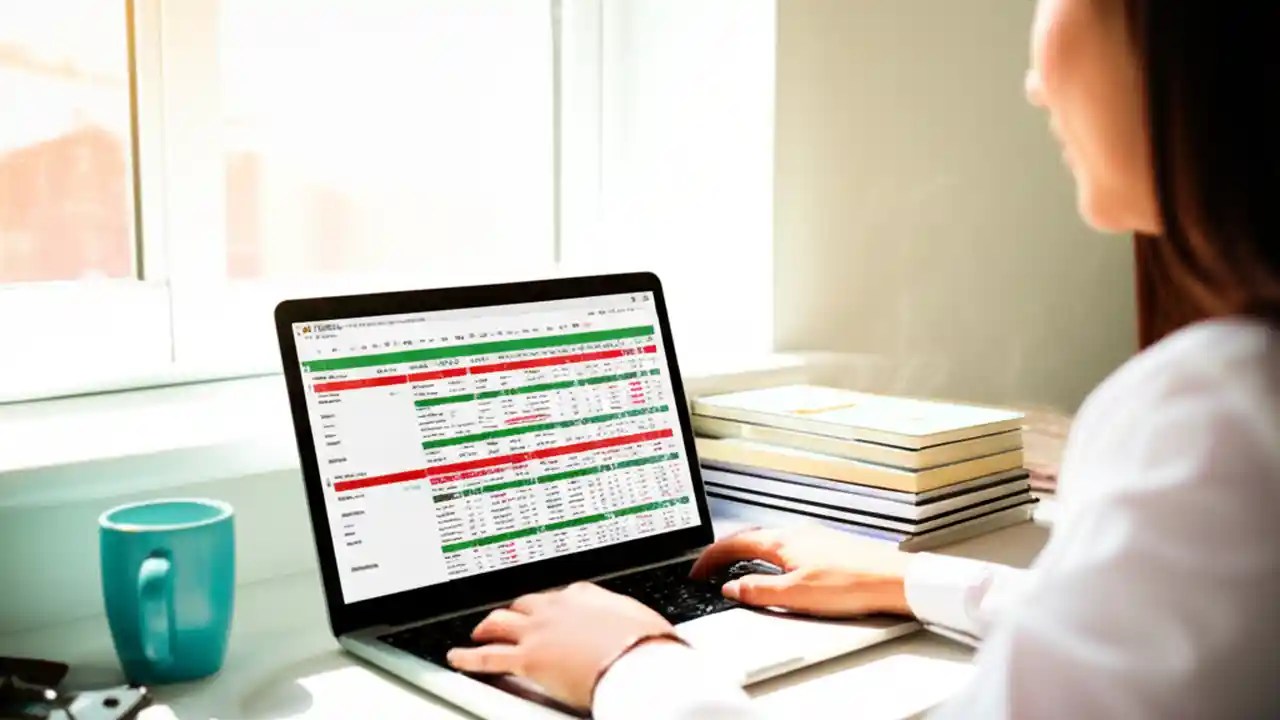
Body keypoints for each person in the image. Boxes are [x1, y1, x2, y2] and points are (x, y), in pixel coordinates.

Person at [447, 0, 1280, 716]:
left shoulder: (1217, 418)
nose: (1033, 80)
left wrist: (632, 666)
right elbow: (1165, 627)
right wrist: (909, 579)